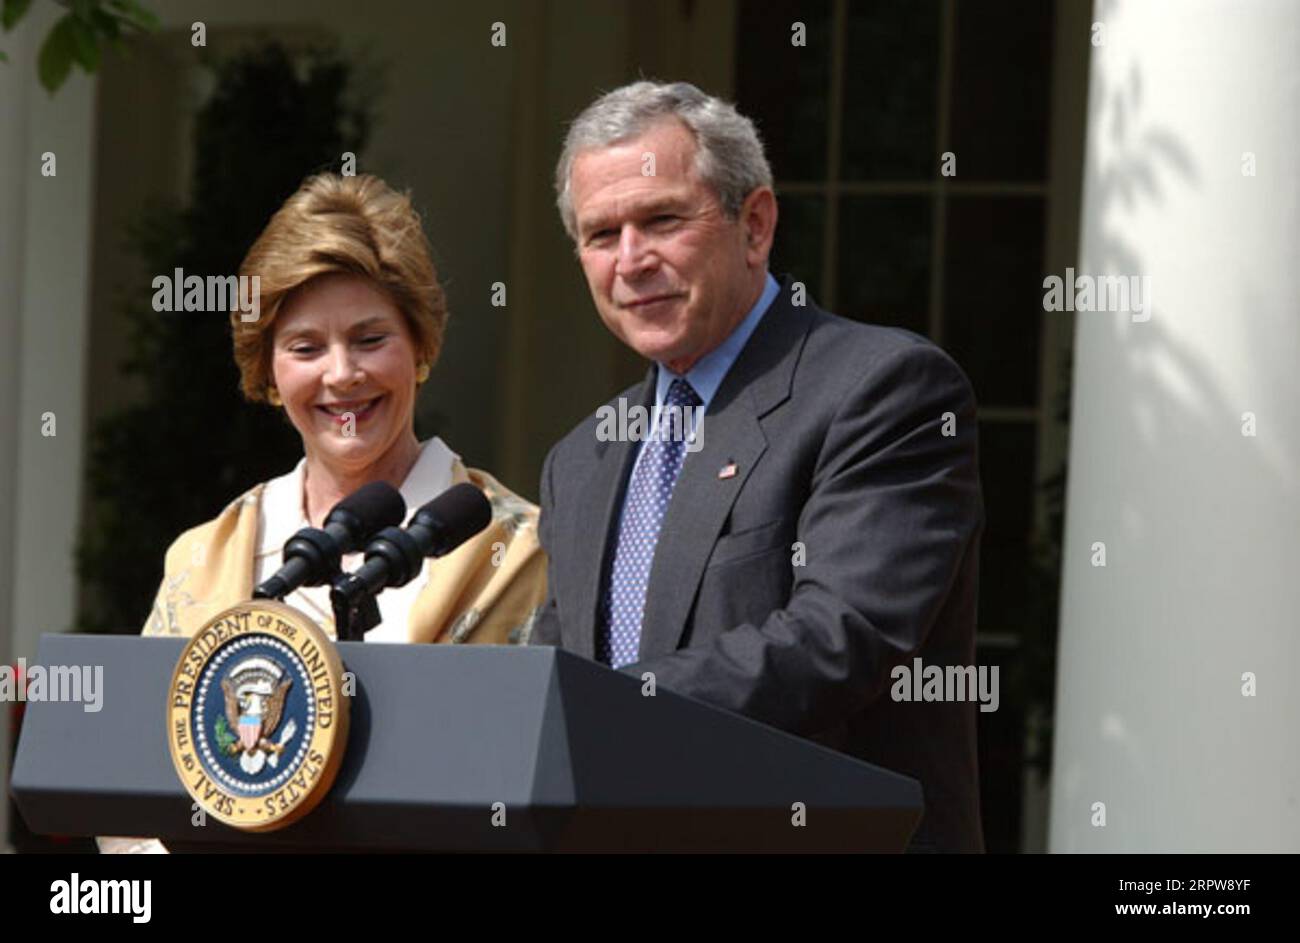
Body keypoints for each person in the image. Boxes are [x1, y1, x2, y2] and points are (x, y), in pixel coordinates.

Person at [529, 81, 986, 852]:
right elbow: (551, 684)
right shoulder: (580, 459)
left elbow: (841, 636)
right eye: (602, 235)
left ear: (756, 224)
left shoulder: (881, 388)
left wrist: (605, 704)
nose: (631, 260)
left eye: (663, 219)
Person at [99, 173, 546, 854]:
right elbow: (130, 790)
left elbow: (544, 796)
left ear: (420, 347)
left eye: (370, 339)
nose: (341, 374)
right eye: (306, 347)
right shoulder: (203, 556)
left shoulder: (522, 549)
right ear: (269, 374)